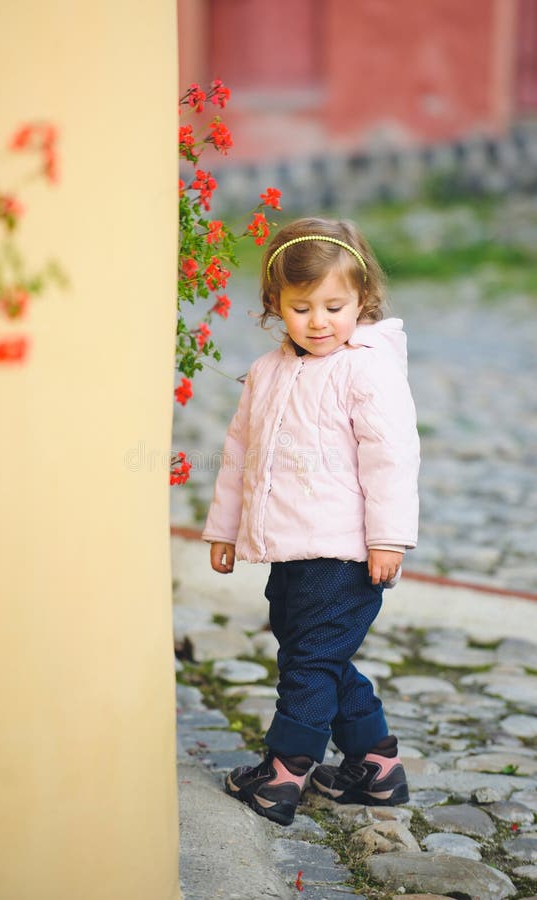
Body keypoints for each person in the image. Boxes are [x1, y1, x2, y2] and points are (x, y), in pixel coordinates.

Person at [202, 217, 420, 827]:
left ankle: (284, 772)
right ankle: (375, 767)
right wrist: (225, 530)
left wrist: (387, 539)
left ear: (363, 301)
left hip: (347, 555)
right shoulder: (268, 372)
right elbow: (239, 457)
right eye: (302, 308)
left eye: (335, 306)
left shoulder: (366, 369)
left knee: (308, 664)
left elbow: (392, 457)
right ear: (275, 304)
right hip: (289, 549)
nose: (319, 321)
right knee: (314, 653)